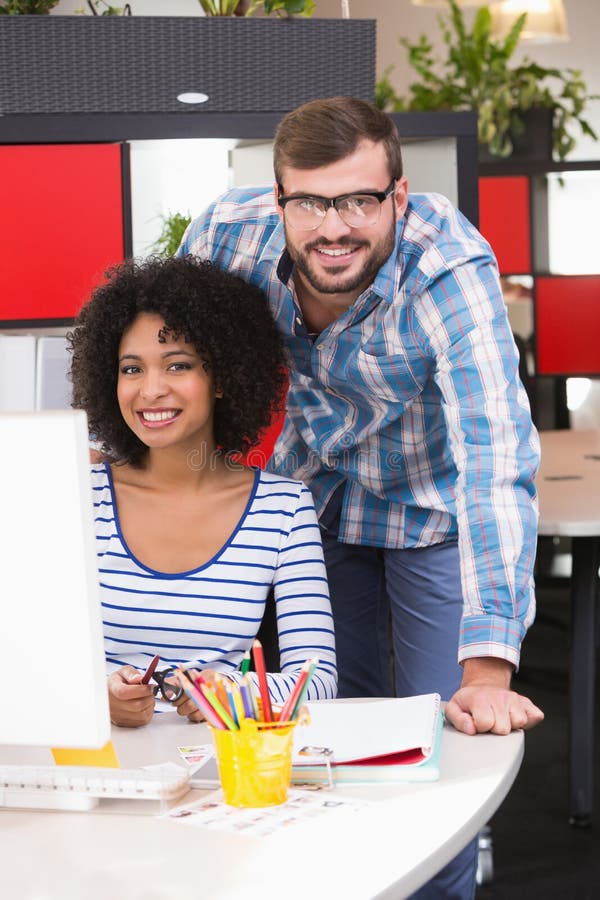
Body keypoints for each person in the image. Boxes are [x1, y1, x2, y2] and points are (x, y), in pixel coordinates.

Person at [177, 96, 544, 899]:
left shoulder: (447, 265)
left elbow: (494, 451)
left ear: (398, 198)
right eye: (309, 202)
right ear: (278, 201)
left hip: (432, 508)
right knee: (329, 741)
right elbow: (167, 368)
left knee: (437, 750)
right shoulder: (225, 236)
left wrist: (487, 670)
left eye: (359, 201)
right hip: (316, 503)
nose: (333, 227)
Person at [68, 255, 337, 729]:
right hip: (97, 763)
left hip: (221, 767)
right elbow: (26, 654)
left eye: (178, 365)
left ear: (221, 378)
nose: (150, 389)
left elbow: (317, 679)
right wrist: (92, 692)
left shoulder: (284, 510)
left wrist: (233, 691)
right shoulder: (81, 496)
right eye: (131, 369)